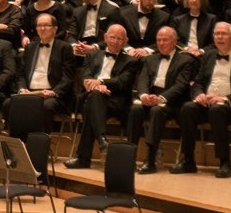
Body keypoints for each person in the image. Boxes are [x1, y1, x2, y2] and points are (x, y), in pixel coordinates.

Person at [175, 22, 231, 177]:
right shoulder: (208, 56)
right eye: (217, 34)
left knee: (217, 110)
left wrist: (223, 98)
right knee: (188, 108)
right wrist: (199, 94)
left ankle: (224, 162)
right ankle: (188, 160)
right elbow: (198, 82)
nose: (220, 37)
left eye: (224, 34)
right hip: (206, 104)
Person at [67, 22, 137, 168]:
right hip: (91, 95)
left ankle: (84, 158)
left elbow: (123, 82)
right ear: (105, 37)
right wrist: (94, 86)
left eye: (119, 39)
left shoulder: (131, 61)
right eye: (112, 37)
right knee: (94, 98)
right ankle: (101, 138)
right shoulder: (92, 55)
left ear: (126, 41)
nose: (115, 41)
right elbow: (85, 75)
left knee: (91, 106)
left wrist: (101, 82)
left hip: (115, 100)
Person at [127, 25, 195, 173]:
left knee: (157, 111)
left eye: (165, 40)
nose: (161, 43)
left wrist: (162, 98)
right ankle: (129, 158)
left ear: (175, 41)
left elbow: (181, 85)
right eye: (158, 40)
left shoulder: (185, 60)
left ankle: (150, 160)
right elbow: (143, 80)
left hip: (172, 102)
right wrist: (144, 96)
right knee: (135, 109)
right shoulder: (150, 59)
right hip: (151, 97)